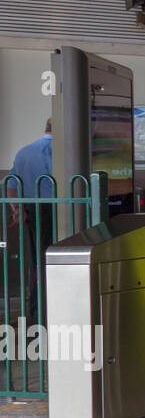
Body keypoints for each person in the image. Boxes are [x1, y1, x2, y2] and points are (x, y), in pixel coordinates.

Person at [6, 118, 54, 328]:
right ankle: (56, 318)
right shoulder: (61, 152)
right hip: (60, 210)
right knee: (58, 264)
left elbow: (11, 185)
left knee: (36, 265)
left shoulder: (24, 152)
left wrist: (17, 210)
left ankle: (37, 321)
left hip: (31, 212)